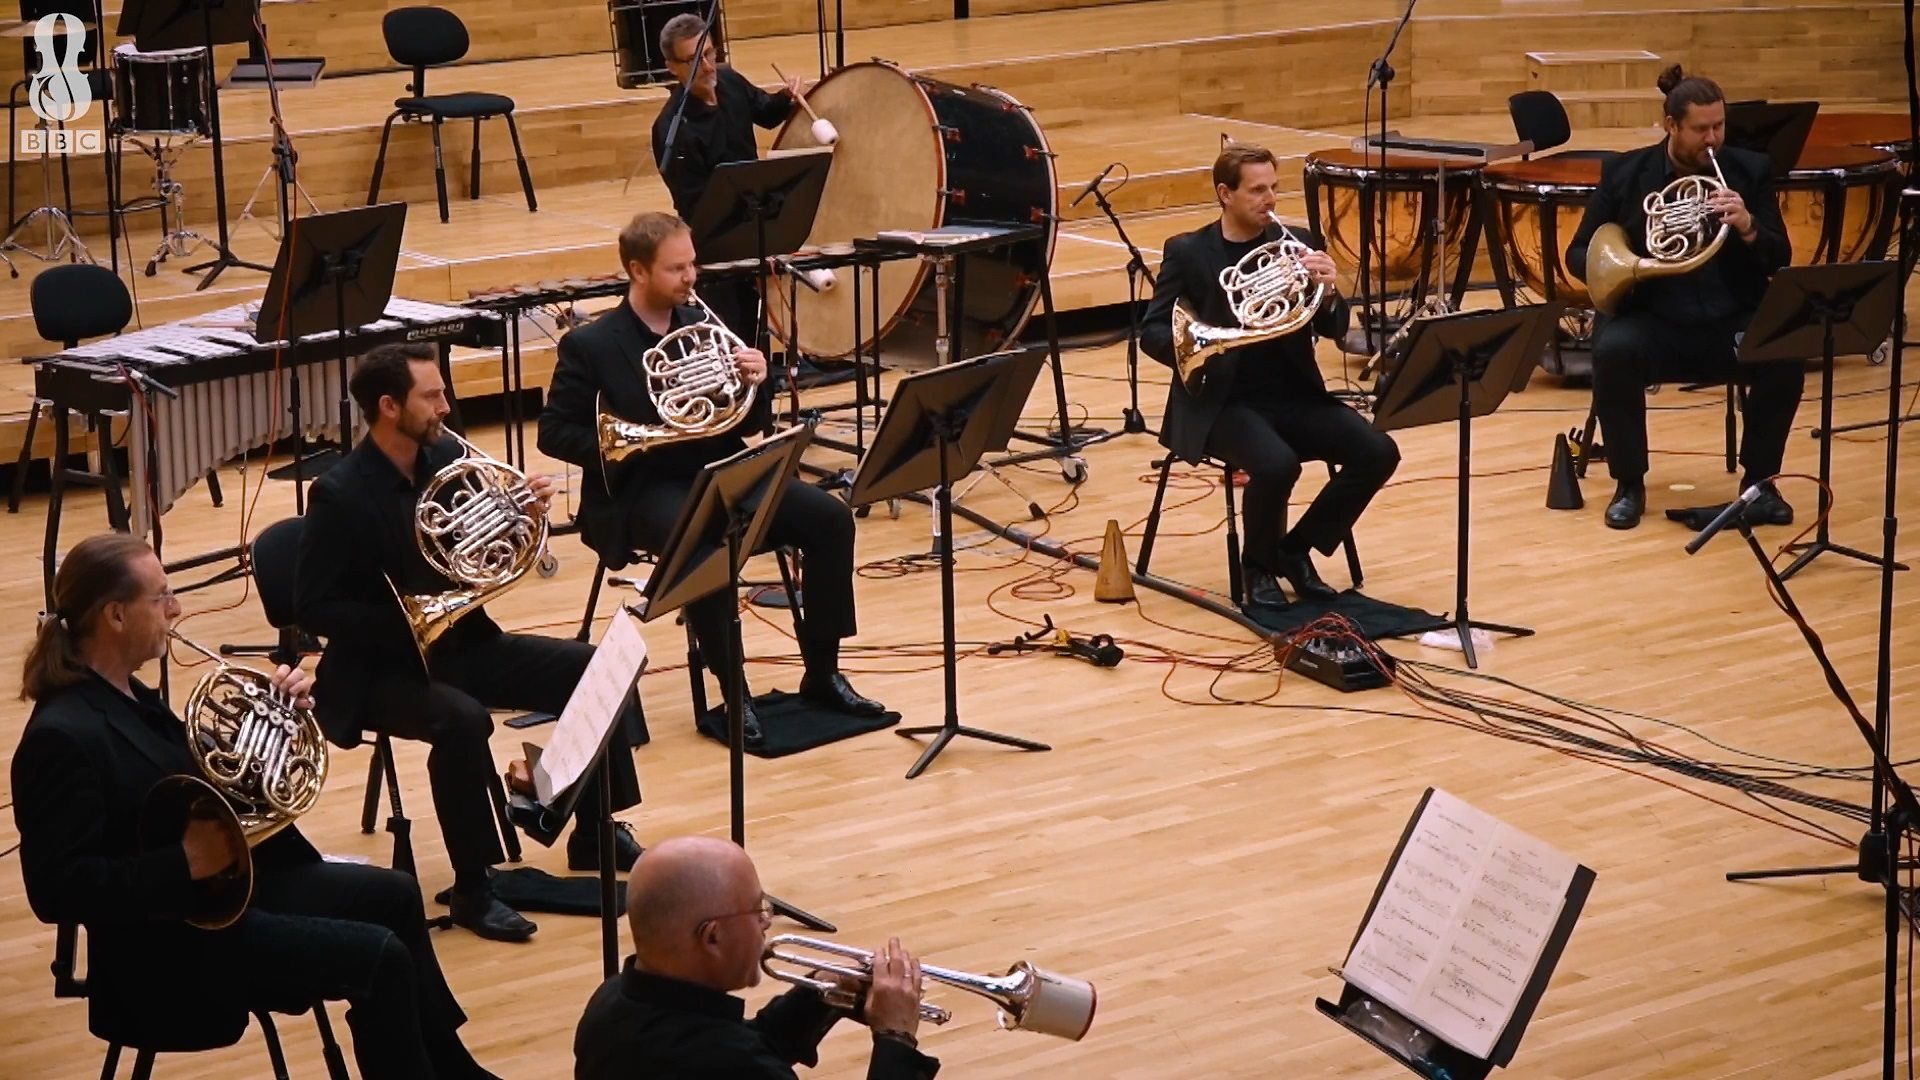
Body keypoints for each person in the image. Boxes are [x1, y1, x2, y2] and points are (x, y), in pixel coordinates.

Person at [11, 533, 499, 1080]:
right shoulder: (61, 736)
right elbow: (57, 890)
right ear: (116, 616)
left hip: (226, 894)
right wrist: (183, 864)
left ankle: (452, 1069)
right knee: (377, 957)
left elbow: (198, 787)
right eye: (162, 597)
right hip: (170, 947)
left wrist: (269, 723)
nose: (176, 608)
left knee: (395, 895)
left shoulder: (128, 694)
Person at [295, 342, 643, 943]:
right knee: (462, 722)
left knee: (590, 667)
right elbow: (313, 605)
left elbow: (474, 555)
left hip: (459, 642)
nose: (447, 407)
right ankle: (473, 886)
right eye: (431, 397)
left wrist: (517, 513)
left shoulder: (445, 457)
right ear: (387, 406)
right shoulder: (340, 493)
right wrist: (407, 621)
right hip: (381, 669)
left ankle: (593, 827)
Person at [539, 211, 886, 747]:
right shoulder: (593, 345)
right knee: (704, 540)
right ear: (637, 270)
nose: (691, 277)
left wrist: (758, 379)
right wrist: (634, 439)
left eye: (692, 263)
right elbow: (554, 434)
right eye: (676, 268)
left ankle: (823, 672)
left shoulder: (705, 323)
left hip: (721, 468)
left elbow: (748, 421)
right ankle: (735, 692)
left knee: (829, 519)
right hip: (642, 488)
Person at [1140, 143, 1401, 610]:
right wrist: (1194, 345)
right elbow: (1154, 329)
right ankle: (1257, 567)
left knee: (1378, 450)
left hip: (1294, 396)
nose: (1270, 199)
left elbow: (1334, 329)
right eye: (1257, 190)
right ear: (1225, 193)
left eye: (1274, 188)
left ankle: (1294, 552)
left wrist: (1328, 293)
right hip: (1222, 403)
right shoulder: (1190, 252)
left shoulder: (1294, 243)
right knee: (1278, 465)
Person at [1566, 65, 1801, 530]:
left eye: (1719, 126)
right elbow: (1579, 254)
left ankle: (1759, 485)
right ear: (1670, 124)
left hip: (1728, 315)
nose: (1712, 138)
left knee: (1786, 352)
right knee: (1613, 350)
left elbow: (1781, 255)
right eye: (1700, 129)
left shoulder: (1747, 171)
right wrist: (1630, 265)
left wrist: (1749, 226)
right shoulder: (1625, 173)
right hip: (1655, 316)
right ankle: (1629, 483)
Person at [574, 835, 939, 1079]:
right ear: (712, 936)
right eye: (756, 910)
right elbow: (738, 1057)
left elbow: (744, 1041)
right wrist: (896, 1039)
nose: (766, 922)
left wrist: (822, 993)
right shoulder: (735, 1066)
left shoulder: (610, 1001)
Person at [650, 12, 806, 340]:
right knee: (730, 337)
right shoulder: (673, 131)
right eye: (694, 61)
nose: (707, 67)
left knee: (757, 336)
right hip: (714, 248)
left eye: (709, 53)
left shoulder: (730, 81)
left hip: (754, 229)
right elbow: (696, 208)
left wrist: (786, 98)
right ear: (672, 68)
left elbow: (765, 111)